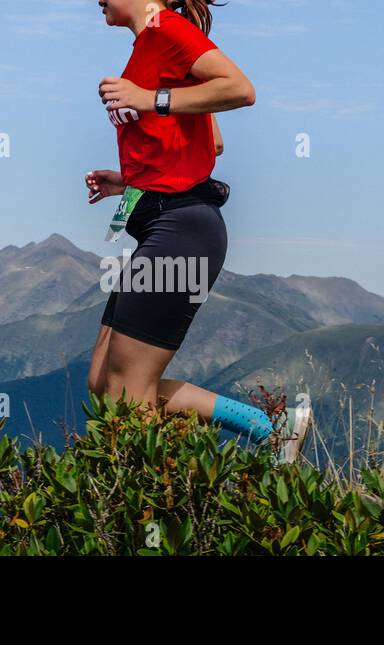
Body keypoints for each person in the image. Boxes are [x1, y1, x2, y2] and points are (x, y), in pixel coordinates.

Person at [84, 0, 311, 463]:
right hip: (161, 226)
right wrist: (127, 180)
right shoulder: (146, 46)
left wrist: (150, 98)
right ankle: (267, 428)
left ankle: (157, 512)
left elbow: (240, 89)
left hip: (182, 230)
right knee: (103, 385)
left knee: (127, 397)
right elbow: (214, 141)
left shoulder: (167, 28)